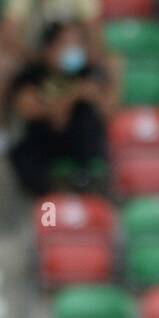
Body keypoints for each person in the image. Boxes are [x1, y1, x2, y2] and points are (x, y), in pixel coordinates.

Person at [5, 20, 114, 195]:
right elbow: (27, 109)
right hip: (44, 141)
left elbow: (107, 113)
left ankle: (86, 185)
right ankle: (47, 197)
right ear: (48, 48)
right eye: (66, 43)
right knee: (21, 153)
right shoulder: (32, 75)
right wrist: (74, 95)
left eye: (77, 43)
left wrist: (98, 95)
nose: (73, 49)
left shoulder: (90, 72)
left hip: (79, 143)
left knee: (87, 124)